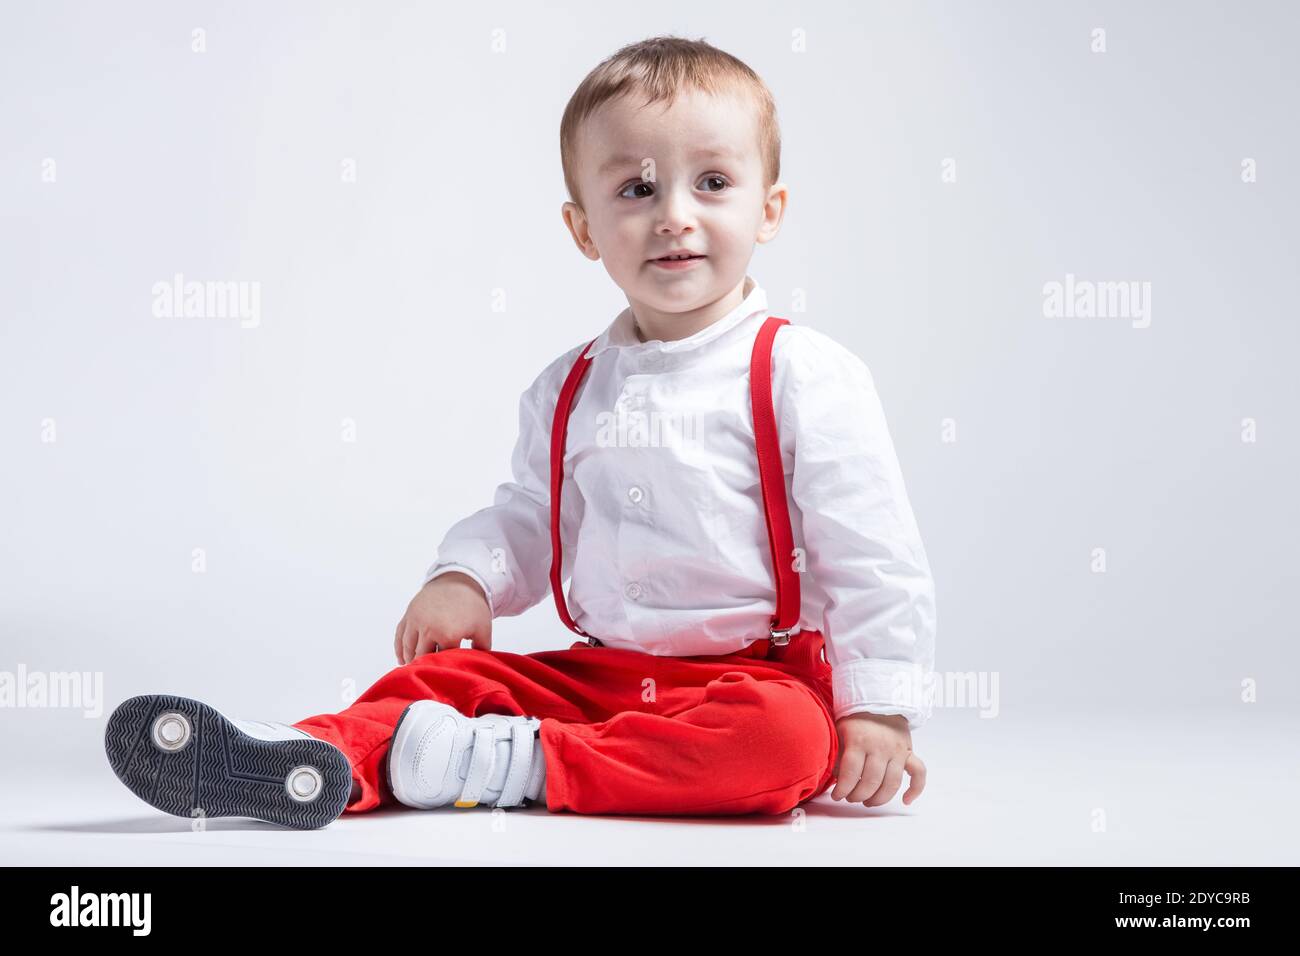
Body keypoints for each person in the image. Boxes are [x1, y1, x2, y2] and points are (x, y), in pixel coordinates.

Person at [105, 35, 936, 829]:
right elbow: (531, 517)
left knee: (785, 746)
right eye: (637, 190)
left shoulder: (803, 373)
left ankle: (519, 766)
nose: (675, 216)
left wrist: (880, 707)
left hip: (748, 681)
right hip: (596, 679)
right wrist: (466, 576)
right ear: (583, 230)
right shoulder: (569, 386)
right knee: (442, 678)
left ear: (770, 210)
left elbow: (871, 552)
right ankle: (311, 758)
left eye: (712, 183)